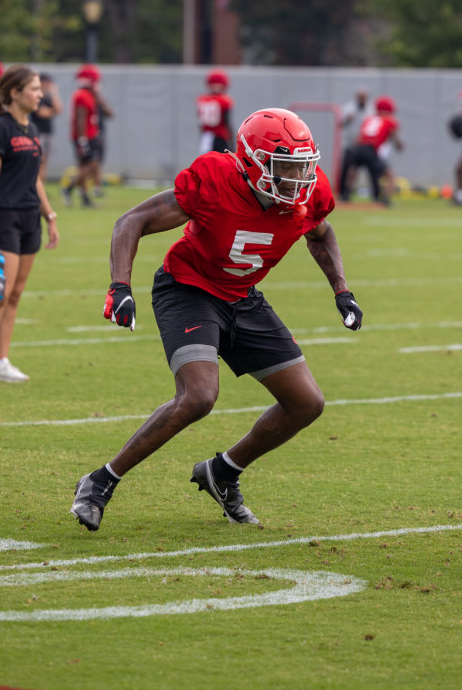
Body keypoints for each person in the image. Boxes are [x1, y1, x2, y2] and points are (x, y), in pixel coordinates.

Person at [70, 107, 363, 531]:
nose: (300, 178)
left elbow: (321, 232)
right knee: (199, 396)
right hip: (189, 289)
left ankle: (223, 471)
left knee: (306, 403)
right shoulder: (216, 180)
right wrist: (120, 287)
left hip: (243, 297)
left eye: (303, 165)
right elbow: (132, 220)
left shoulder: (306, 195)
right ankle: (100, 481)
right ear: (252, 162)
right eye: (286, 167)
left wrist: (342, 290)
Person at [0, 65, 59, 385]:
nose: (40, 94)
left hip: (31, 218)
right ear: (14, 93)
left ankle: (1, 361)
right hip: (5, 218)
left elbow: (35, 179)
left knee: (15, 294)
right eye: (33, 89)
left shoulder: (30, 128)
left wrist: (50, 215)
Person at [355, 96, 404, 205]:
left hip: (359, 147)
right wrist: (400, 145)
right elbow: (394, 137)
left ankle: (344, 194)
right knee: (389, 175)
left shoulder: (368, 119)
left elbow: (359, 137)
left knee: (354, 171)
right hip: (371, 149)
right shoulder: (389, 120)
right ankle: (386, 198)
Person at [64, 65, 101, 207]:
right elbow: (80, 119)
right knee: (92, 164)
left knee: (84, 166)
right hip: (85, 136)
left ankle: (85, 198)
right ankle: (68, 187)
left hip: (87, 134)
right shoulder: (82, 96)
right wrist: (82, 140)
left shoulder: (89, 95)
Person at [30, 73, 63, 184]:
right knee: (39, 162)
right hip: (38, 133)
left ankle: (41, 187)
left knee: (45, 162)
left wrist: (54, 93)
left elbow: (59, 109)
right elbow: (42, 113)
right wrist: (52, 111)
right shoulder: (36, 98)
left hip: (48, 133)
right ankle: (36, 188)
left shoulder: (49, 97)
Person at [338, 89, 369, 200]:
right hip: (350, 145)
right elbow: (340, 123)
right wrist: (347, 120)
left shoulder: (370, 109)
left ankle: (377, 194)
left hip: (365, 145)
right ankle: (344, 193)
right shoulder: (348, 108)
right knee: (348, 169)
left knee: (371, 169)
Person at [195, 69, 233, 154]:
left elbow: (200, 123)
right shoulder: (224, 101)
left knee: (207, 162)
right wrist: (232, 140)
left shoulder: (201, 100)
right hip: (220, 137)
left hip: (205, 137)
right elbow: (226, 122)